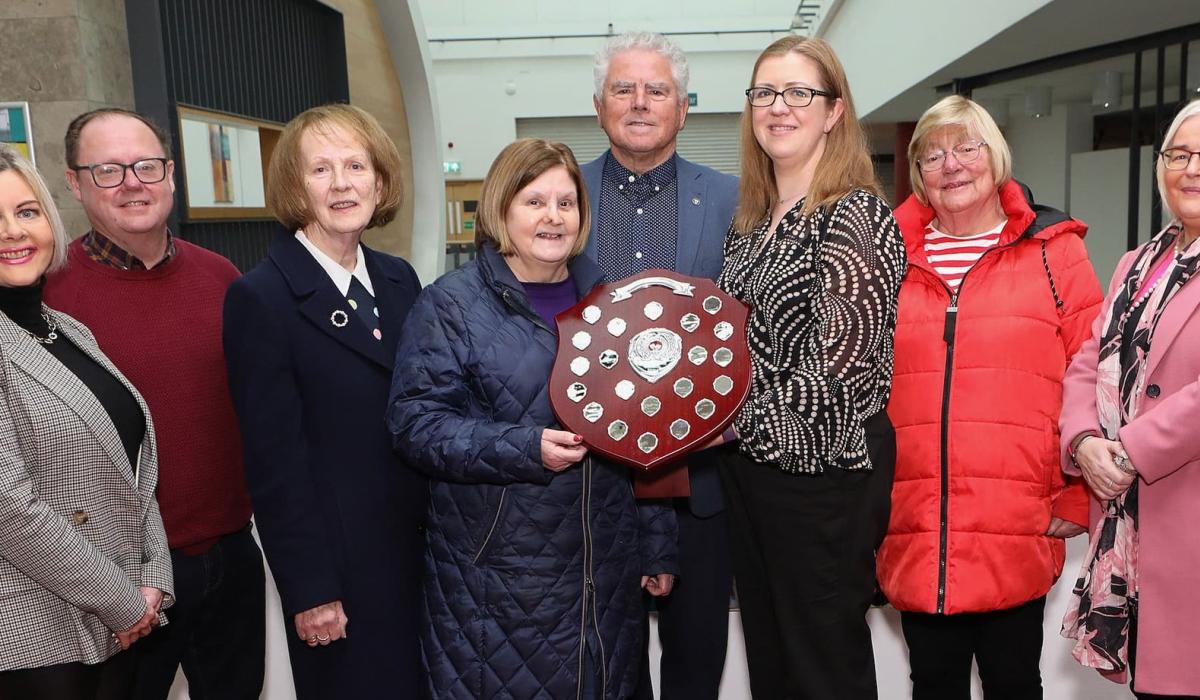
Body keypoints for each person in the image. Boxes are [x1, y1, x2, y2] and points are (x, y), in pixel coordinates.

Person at [388, 137, 678, 700]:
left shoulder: (613, 303)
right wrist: (524, 448)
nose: (553, 217)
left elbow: (644, 427)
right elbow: (414, 424)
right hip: (498, 583)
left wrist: (657, 541)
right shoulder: (450, 306)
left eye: (566, 203)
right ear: (502, 210)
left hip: (607, 576)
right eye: (535, 201)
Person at [874, 95, 1101, 700]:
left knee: (1013, 681)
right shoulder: (885, 257)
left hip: (1017, 522)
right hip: (915, 522)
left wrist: (1077, 492)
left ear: (995, 156)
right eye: (932, 155)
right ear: (918, 173)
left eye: (966, 147)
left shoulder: (1055, 250)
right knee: (933, 683)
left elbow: (1094, 374)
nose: (951, 165)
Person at [44, 107, 264, 700]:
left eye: (146, 166)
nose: (132, 183)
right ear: (74, 183)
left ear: (170, 174)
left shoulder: (223, 279)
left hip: (230, 555)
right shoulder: (47, 297)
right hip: (115, 579)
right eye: (108, 170)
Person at [715, 36, 906, 700]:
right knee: (771, 662)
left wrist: (721, 425)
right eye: (765, 92)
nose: (779, 107)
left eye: (799, 92)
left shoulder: (857, 214)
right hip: (750, 471)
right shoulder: (751, 221)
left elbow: (839, 372)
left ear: (834, 111)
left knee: (822, 666)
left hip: (823, 474)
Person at [223, 103, 426, 698]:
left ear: (380, 182)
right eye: (321, 169)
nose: (342, 184)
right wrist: (310, 589)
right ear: (295, 187)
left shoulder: (400, 279)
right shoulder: (260, 299)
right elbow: (274, 464)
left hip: (419, 560)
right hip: (341, 578)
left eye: (356, 166)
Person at [583, 30, 738, 700]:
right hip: (590, 484)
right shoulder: (558, 196)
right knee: (600, 670)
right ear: (599, 106)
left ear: (683, 108)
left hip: (699, 482)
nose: (640, 102)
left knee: (696, 668)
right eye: (623, 88)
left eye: (657, 90)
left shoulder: (733, 200)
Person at [0, 145, 172, 698]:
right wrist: (122, 601)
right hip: (31, 637)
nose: (13, 232)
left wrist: (153, 578)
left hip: (111, 625)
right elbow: (9, 507)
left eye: (26, 211)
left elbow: (134, 470)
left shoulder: (69, 331)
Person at [1060, 98, 1200, 700]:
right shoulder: (1138, 263)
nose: (1191, 169)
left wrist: (1128, 451)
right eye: (1179, 155)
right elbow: (1087, 360)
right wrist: (1083, 441)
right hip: (1131, 532)